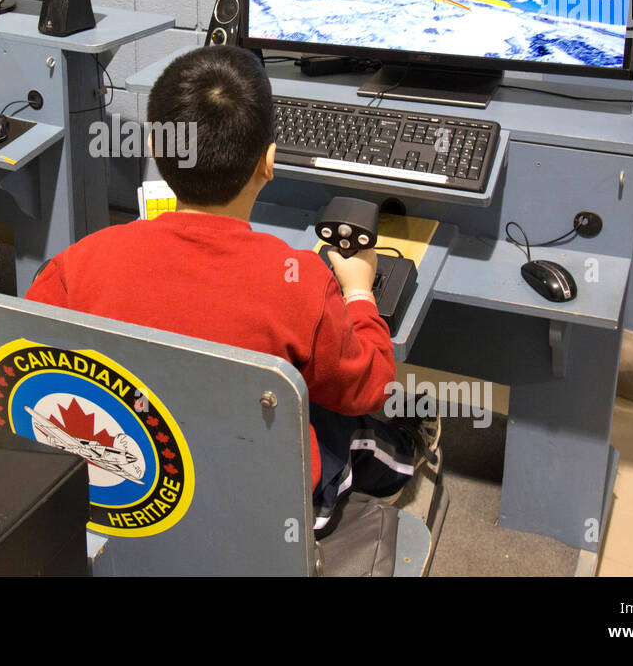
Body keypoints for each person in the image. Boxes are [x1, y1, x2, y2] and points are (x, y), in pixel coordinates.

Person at [26, 45, 434, 534]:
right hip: (262, 509)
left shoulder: (77, 263)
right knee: (347, 422)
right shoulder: (300, 280)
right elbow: (370, 386)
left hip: (128, 492)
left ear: (157, 150)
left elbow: (38, 365)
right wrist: (359, 293)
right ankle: (413, 453)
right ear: (269, 162)